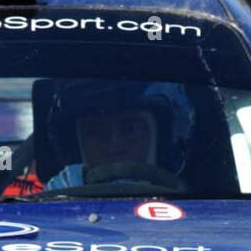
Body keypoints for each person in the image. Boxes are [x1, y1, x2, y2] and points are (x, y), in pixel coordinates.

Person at [43, 80, 196, 192]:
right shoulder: (63, 186)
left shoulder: (198, 200)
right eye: (96, 132)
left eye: (131, 129)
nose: (115, 146)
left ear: (161, 138)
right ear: (77, 145)